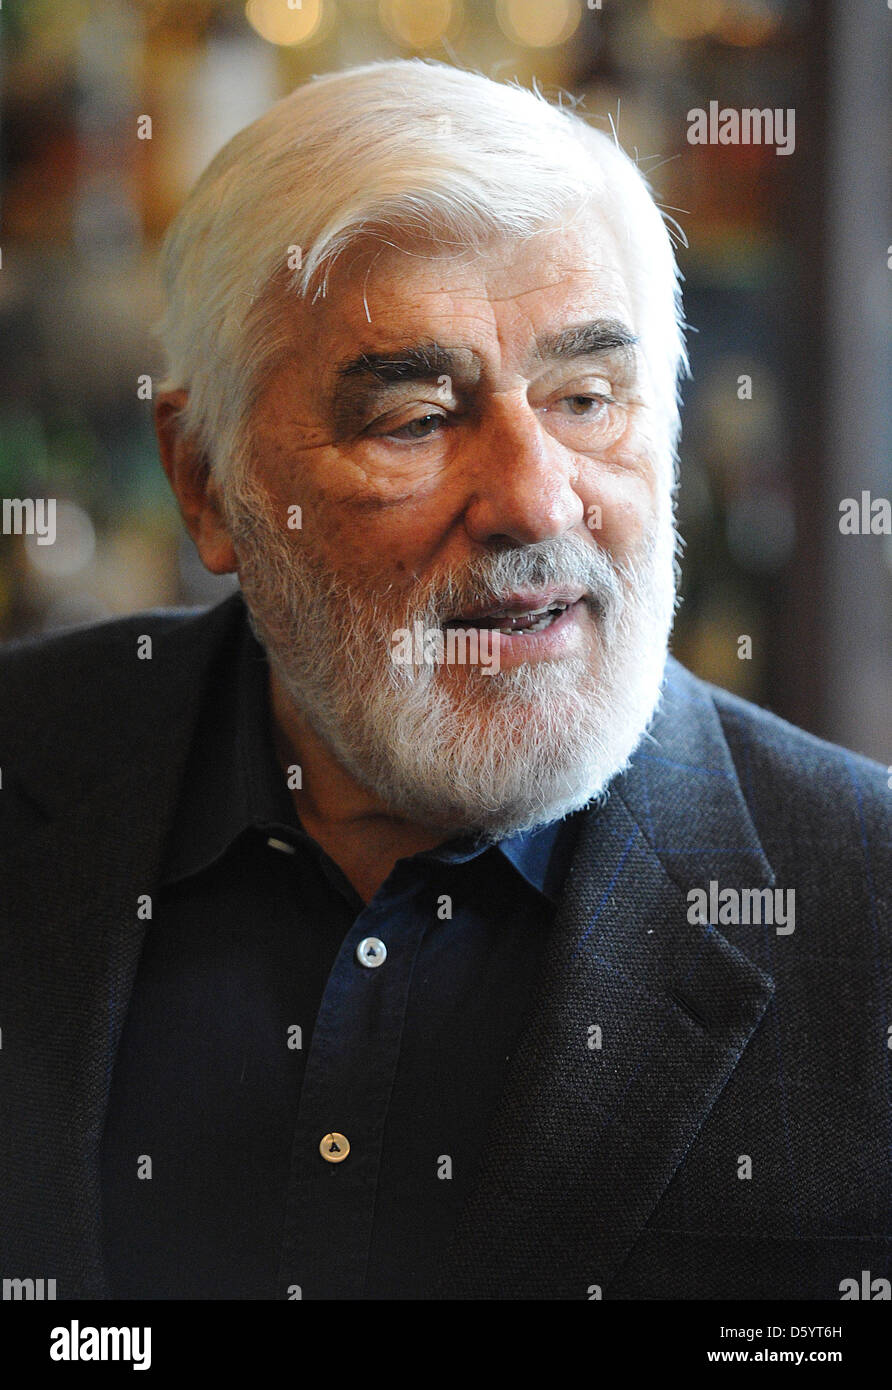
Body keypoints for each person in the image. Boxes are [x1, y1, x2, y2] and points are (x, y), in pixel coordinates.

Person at [1, 59, 888, 1302]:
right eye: (415, 418)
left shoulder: (866, 902)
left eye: (587, 398)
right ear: (207, 482)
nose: (534, 497)